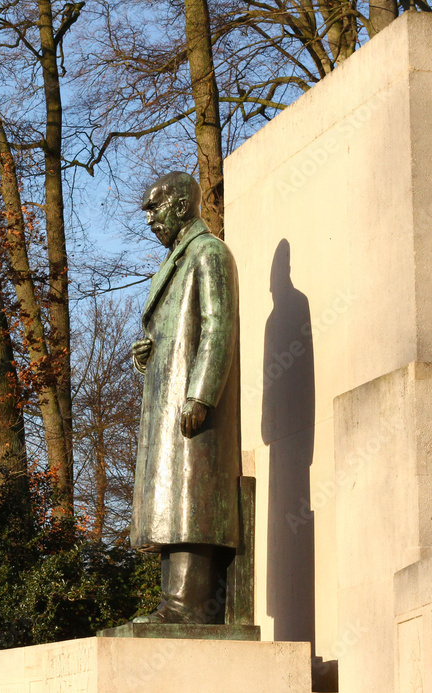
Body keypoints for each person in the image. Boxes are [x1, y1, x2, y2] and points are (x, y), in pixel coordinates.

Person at [130, 171, 241, 625]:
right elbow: (182, 328)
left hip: (189, 402)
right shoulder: (178, 260)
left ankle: (187, 605)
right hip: (167, 393)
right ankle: (171, 601)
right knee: (170, 502)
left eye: (154, 208)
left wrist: (201, 395)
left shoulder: (209, 252)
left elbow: (218, 325)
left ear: (179, 206)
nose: (150, 218)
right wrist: (149, 353)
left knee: (189, 499)